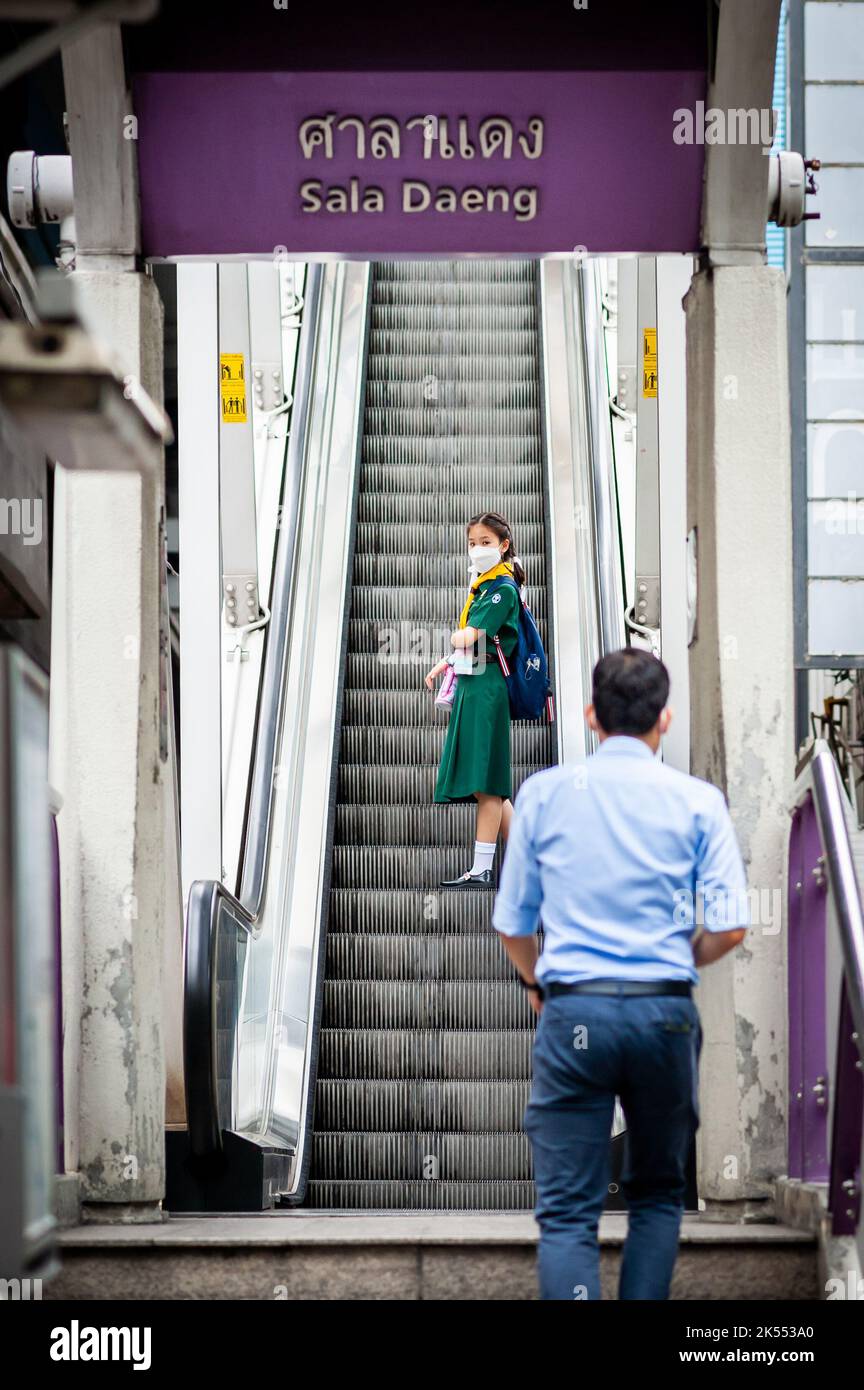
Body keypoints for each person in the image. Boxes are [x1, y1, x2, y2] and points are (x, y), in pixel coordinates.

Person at [492, 647, 749, 1300]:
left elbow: (512, 926)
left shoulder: (544, 795)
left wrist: (535, 985)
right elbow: (730, 926)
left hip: (573, 1009)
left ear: (589, 717)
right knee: (659, 1196)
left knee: (569, 1211)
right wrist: (671, 962)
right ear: (663, 721)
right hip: (663, 1014)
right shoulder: (698, 802)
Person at [425, 510, 525, 889]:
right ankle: (528, 863)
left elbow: (471, 636)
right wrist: (445, 662)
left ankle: (483, 868)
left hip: (485, 686)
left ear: (504, 545)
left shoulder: (500, 588)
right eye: (472, 543)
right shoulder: (484, 585)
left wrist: (455, 639)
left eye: (486, 543)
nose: (478, 549)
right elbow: (469, 642)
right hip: (473, 679)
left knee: (488, 781)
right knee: (490, 781)